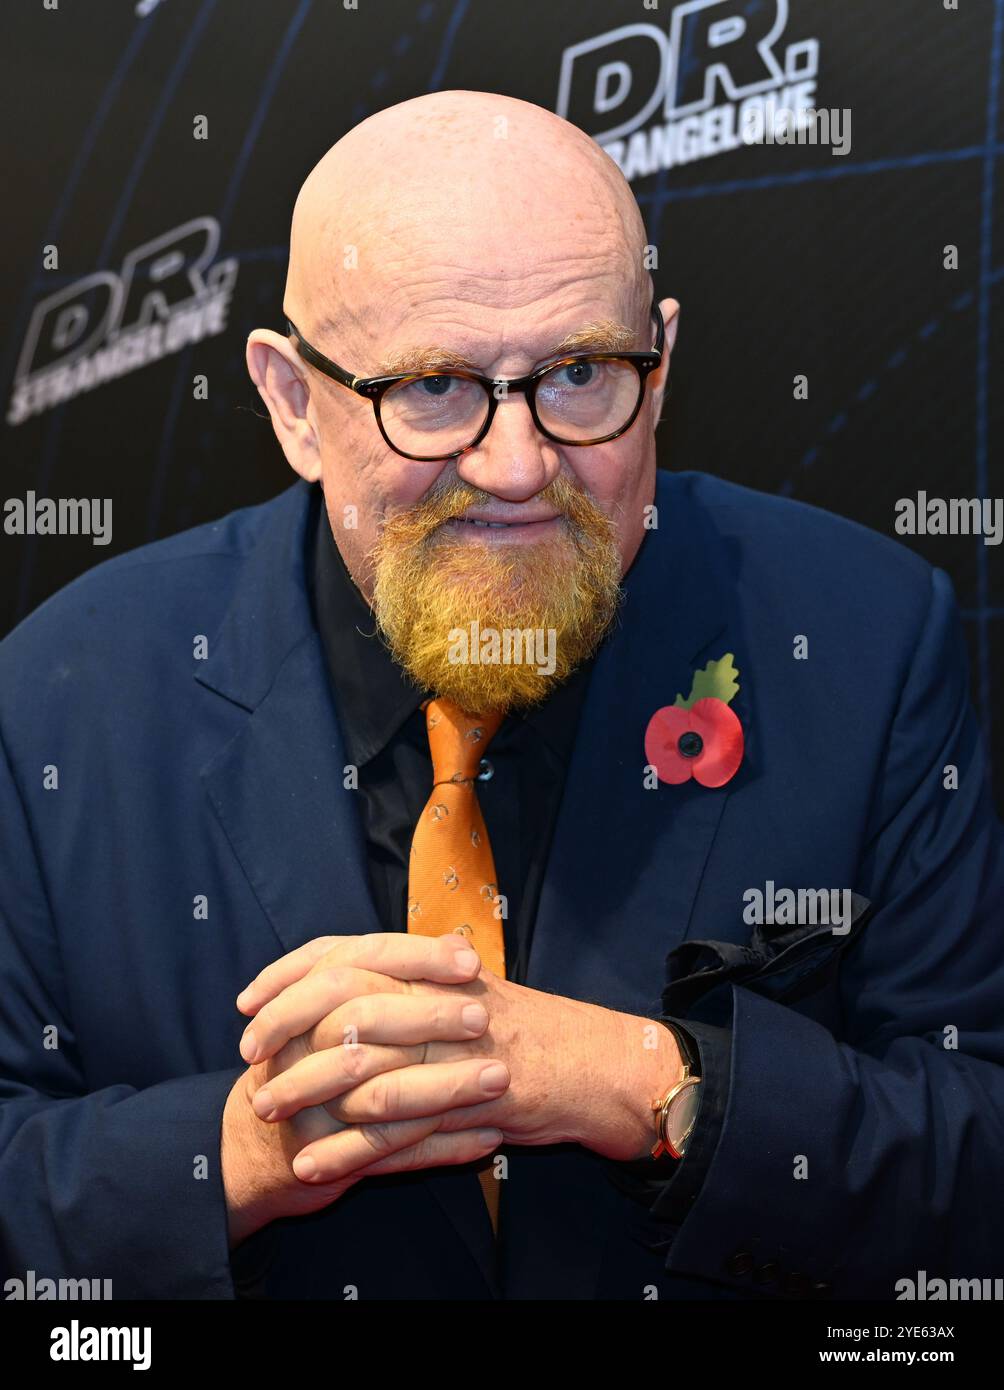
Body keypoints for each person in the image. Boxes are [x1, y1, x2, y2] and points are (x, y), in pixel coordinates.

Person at [1, 90, 1001, 1302]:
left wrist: (644, 1081)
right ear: (290, 403)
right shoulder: (66, 692)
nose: (516, 465)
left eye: (580, 372)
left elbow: (974, 1144)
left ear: (662, 361)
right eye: (430, 388)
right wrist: (251, 1144)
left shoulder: (862, 635)